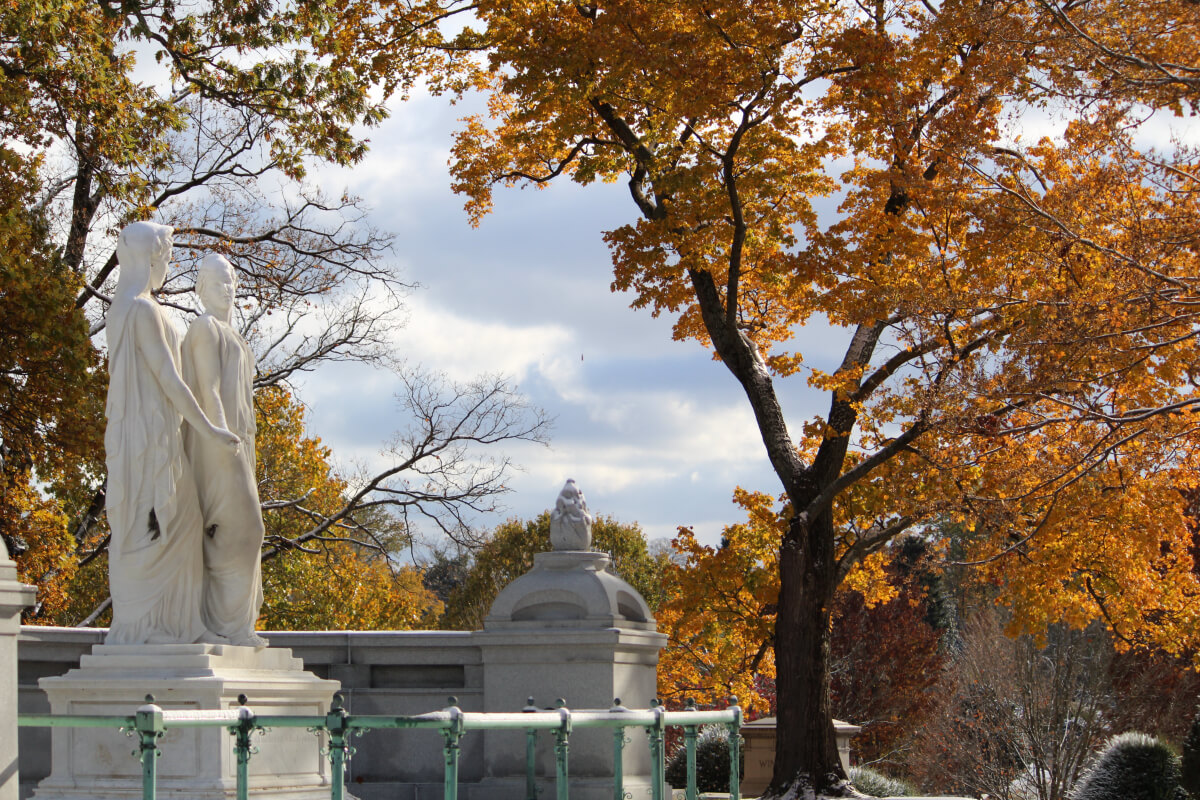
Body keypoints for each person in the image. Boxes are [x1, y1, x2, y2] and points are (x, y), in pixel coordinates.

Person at [104, 221, 240, 645]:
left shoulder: (122, 308)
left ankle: (174, 625)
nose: (166, 265)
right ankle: (158, 628)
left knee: (161, 524)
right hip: (151, 441)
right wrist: (210, 428)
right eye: (164, 257)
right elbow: (169, 378)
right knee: (174, 522)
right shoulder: (143, 310)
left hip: (143, 438)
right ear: (149, 258)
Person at [183, 253, 267, 646]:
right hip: (216, 443)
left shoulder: (238, 339)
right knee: (244, 527)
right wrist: (220, 436)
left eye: (231, 281)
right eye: (218, 282)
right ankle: (223, 626)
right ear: (200, 289)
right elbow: (208, 388)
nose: (227, 289)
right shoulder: (205, 328)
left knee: (240, 529)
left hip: (238, 442)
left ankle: (232, 627)